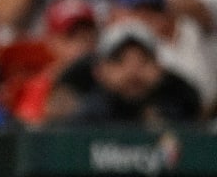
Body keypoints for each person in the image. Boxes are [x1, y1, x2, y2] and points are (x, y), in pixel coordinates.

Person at [53, 19, 202, 127]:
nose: (133, 71)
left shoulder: (182, 114)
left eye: (144, 60)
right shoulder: (82, 122)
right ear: (99, 71)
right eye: (119, 60)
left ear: (160, 69)